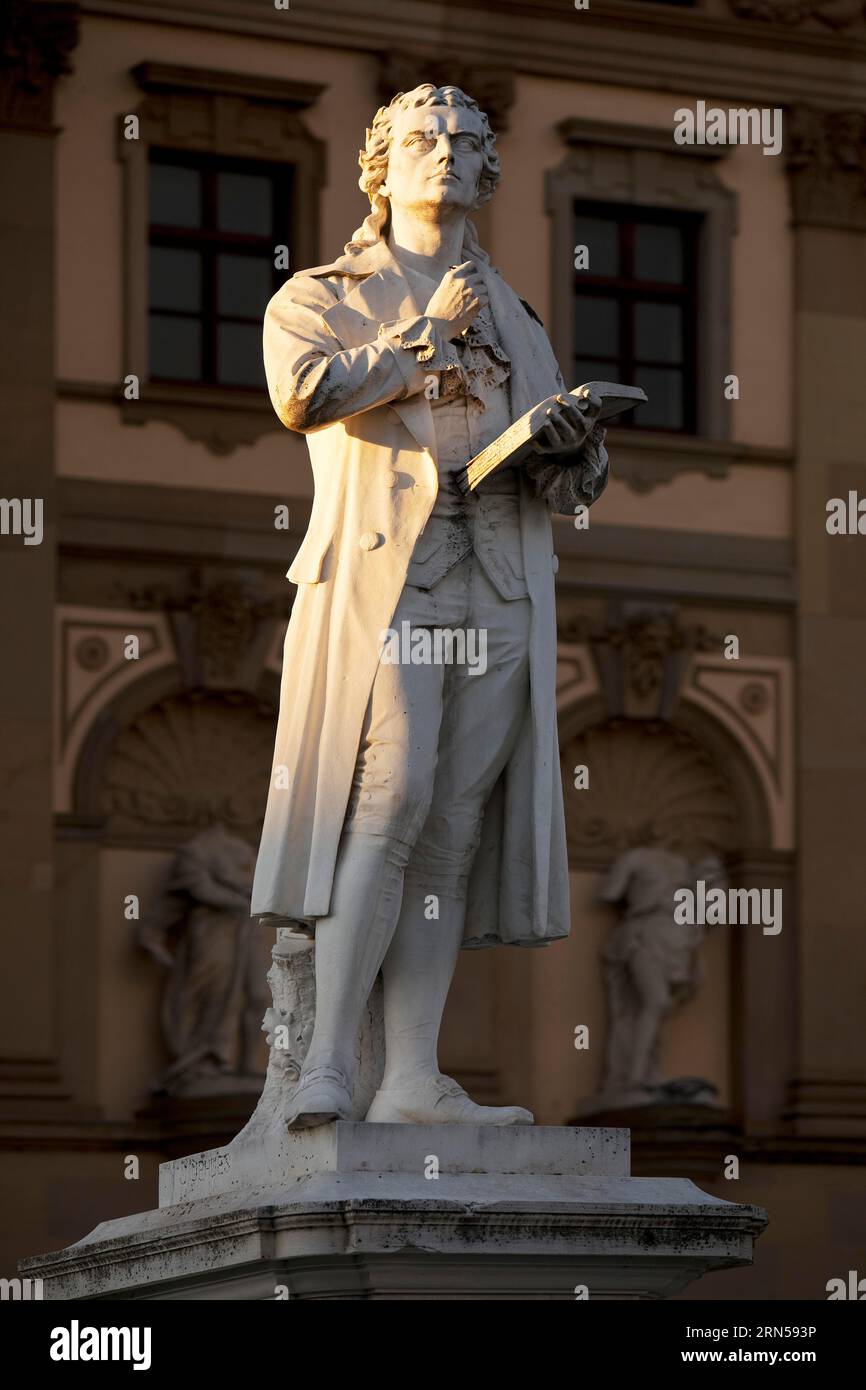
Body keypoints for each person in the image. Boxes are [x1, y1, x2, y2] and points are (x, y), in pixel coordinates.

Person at [252, 84, 610, 1127]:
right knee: (392, 794)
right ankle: (325, 1062)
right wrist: (422, 336)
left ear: (487, 168)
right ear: (380, 164)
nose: (445, 152)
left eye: (464, 140)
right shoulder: (321, 292)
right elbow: (301, 391)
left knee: (452, 822)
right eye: (421, 138)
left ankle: (410, 1075)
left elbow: (561, 489)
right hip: (387, 579)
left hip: (495, 574)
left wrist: (573, 454)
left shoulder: (518, 317)